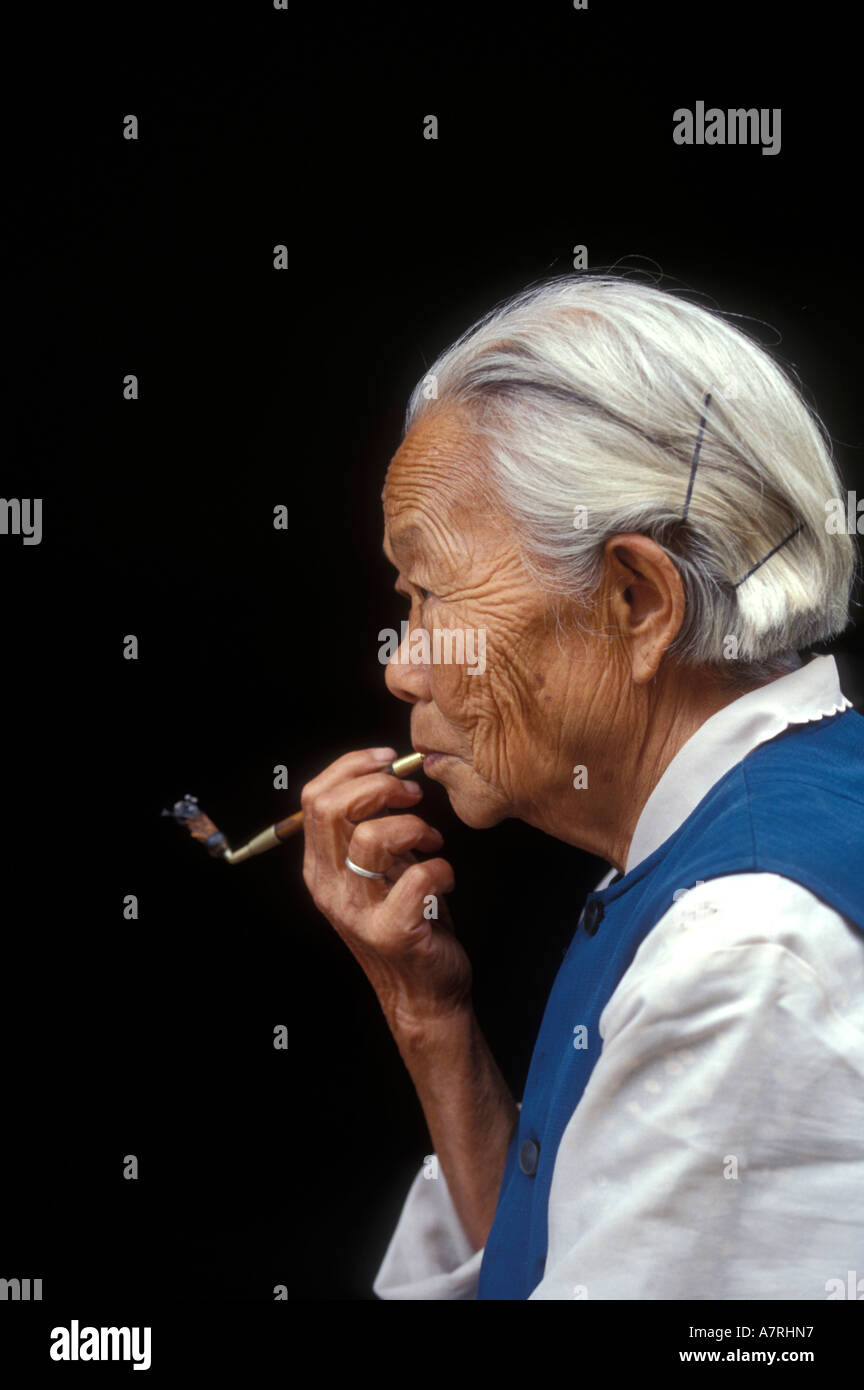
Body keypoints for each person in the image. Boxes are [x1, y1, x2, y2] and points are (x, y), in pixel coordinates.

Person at [300, 275, 864, 1299]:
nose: (401, 664)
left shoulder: (744, 948)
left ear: (634, 599)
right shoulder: (756, 831)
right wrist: (428, 1017)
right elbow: (562, 1259)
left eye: (429, 592)